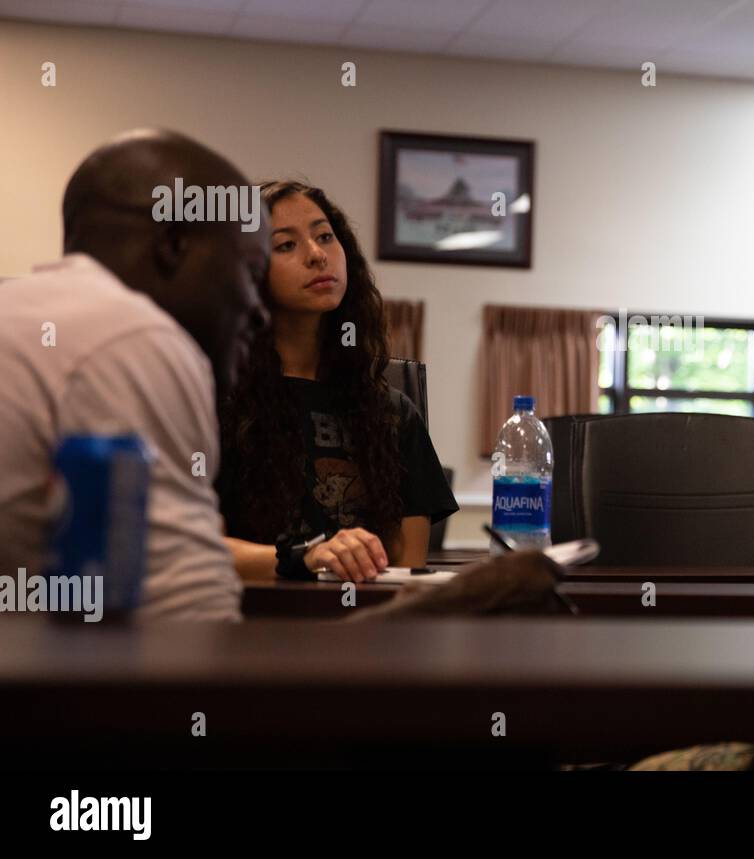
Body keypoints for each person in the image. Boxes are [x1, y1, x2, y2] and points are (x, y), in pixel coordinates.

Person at [0, 128, 268, 620]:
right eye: (251, 274)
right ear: (173, 243)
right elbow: (189, 629)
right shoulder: (131, 336)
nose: (259, 311)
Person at [218, 181, 457, 583]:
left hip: (367, 631)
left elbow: (406, 571)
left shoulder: (393, 412)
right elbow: (195, 546)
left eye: (325, 236)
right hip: (254, 629)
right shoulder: (216, 401)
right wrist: (305, 557)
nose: (316, 255)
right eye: (285, 245)